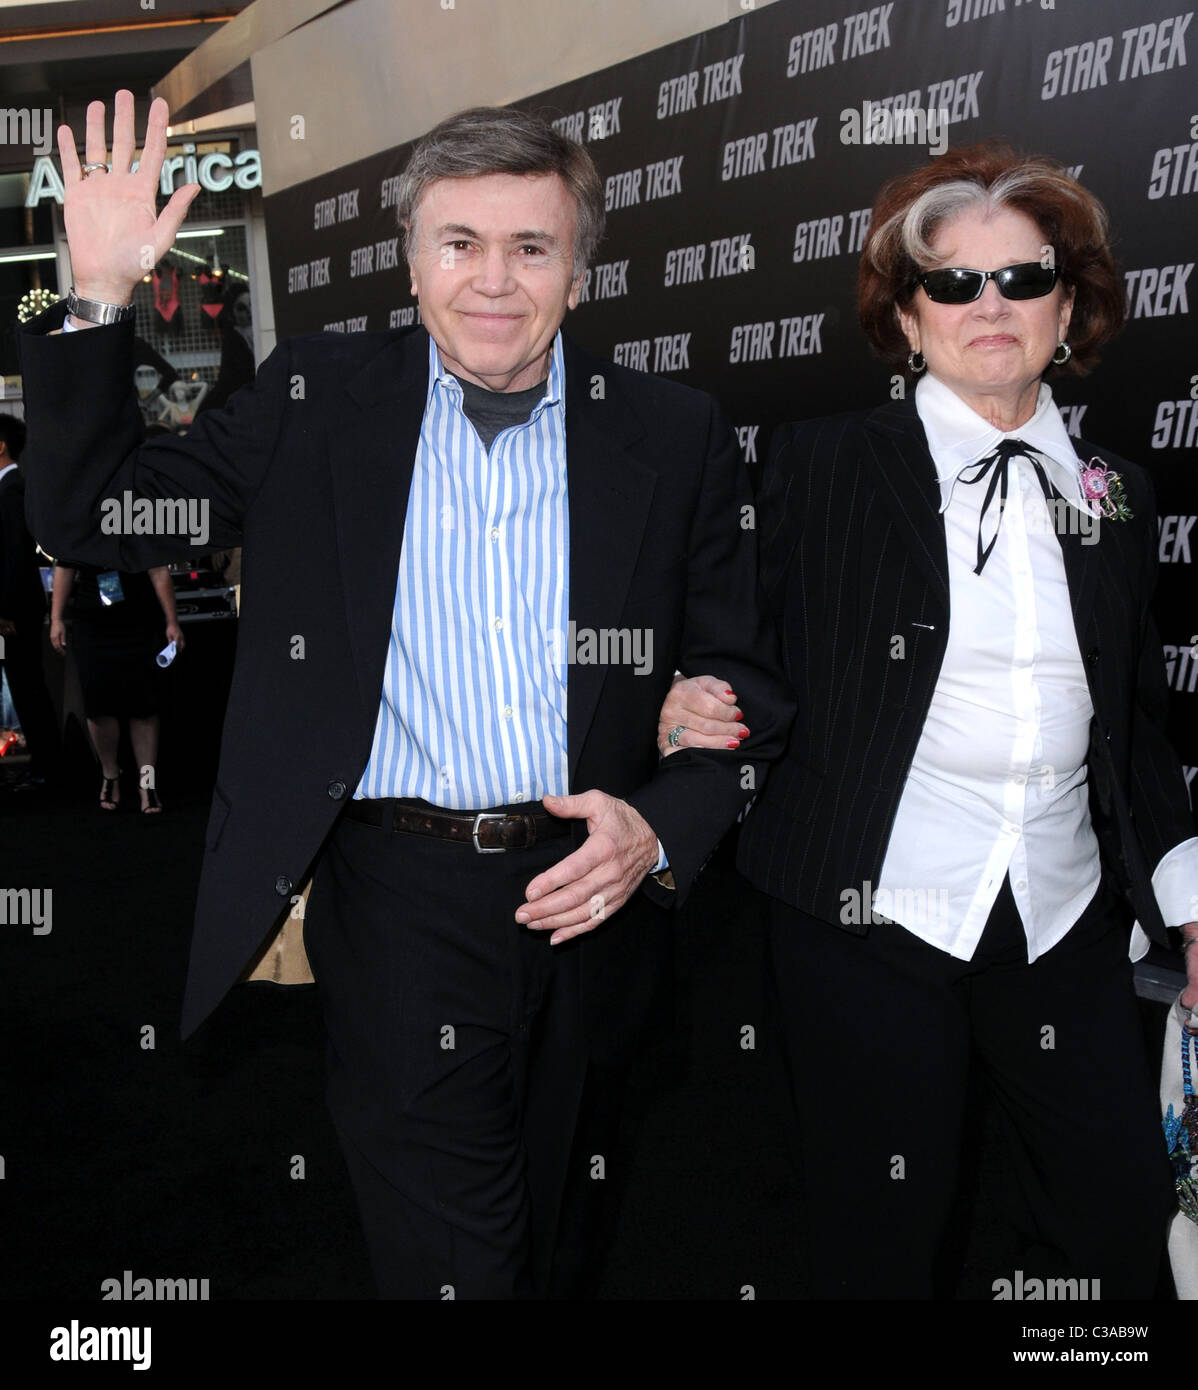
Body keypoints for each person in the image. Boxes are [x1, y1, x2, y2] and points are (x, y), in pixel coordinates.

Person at [19, 92, 793, 1298]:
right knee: (456, 1256)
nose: (494, 280)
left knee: (559, 1231)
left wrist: (659, 823)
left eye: (531, 247)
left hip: (599, 894)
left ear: (579, 272)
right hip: (400, 902)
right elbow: (93, 516)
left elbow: (743, 675)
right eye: (460, 243)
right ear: (412, 264)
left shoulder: (669, 429)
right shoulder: (317, 399)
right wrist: (99, 295)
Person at [661, 141, 1198, 1299]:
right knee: (884, 1240)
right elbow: (733, 644)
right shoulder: (820, 468)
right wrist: (686, 698)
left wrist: (1186, 908)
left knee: (1115, 1225)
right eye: (951, 283)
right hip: (868, 917)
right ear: (907, 319)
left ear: (1073, 304)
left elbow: (1136, 728)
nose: (989, 305)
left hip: (1059, 917)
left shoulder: (1114, 489)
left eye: (1024, 277)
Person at [48, 561, 183, 812]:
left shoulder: (141, 522)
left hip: (140, 618)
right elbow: (65, 567)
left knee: (144, 703)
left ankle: (147, 784)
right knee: (99, 705)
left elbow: (158, 569)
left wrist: (172, 621)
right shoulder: (80, 523)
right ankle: (110, 775)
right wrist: (56, 618)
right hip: (92, 622)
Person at [0, 411, 60, 789]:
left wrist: (5, 610)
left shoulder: (11, 491)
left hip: (15, 609)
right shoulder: (11, 489)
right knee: (24, 684)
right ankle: (44, 762)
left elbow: (15, 556)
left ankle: (47, 765)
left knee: (27, 685)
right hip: (17, 605)